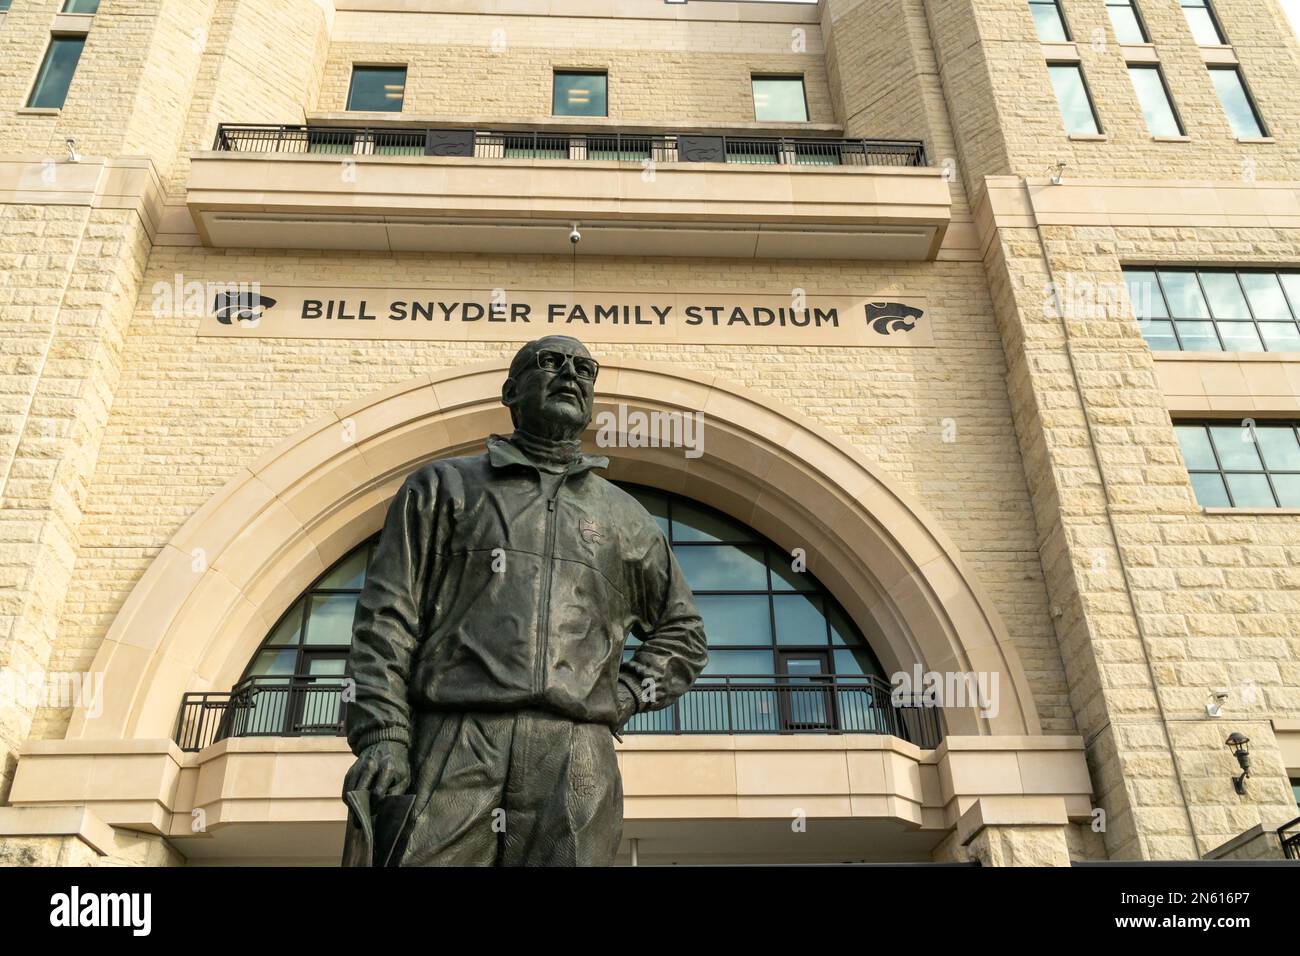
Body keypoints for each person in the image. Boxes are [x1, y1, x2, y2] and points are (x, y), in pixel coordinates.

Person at [342, 335, 708, 866]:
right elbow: (386, 620)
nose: (570, 375)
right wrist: (383, 733)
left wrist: (624, 696)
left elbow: (684, 634)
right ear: (511, 391)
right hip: (453, 736)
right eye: (551, 363)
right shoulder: (442, 487)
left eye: (585, 369)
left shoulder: (625, 517)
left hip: (576, 750)